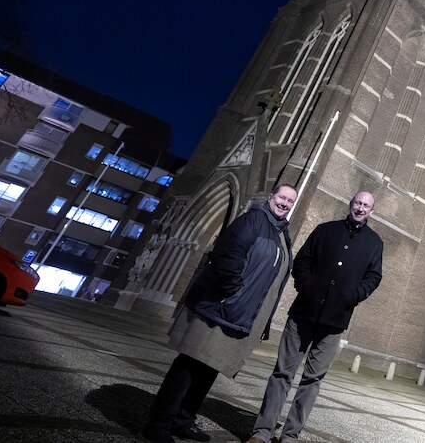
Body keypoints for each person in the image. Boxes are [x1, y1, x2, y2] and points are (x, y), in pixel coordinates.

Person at [142, 185, 298, 443]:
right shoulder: (253, 220)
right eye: (282, 197)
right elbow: (228, 255)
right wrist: (231, 292)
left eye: (290, 201)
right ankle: (158, 422)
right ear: (271, 197)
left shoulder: (280, 231)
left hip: (237, 315)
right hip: (219, 308)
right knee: (189, 364)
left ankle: (183, 419)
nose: (285, 203)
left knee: (209, 368)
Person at [246, 191, 384, 443]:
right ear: (350, 204)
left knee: (312, 380)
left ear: (372, 211)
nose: (361, 208)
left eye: (366, 205)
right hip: (303, 314)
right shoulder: (325, 230)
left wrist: (352, 296)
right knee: (282, 374)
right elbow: (302, 260)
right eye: (358, 203)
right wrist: (306, 287)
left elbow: (374, 277)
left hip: (334, 322)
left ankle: (290, 435)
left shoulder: (375, 243)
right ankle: (262, 432)